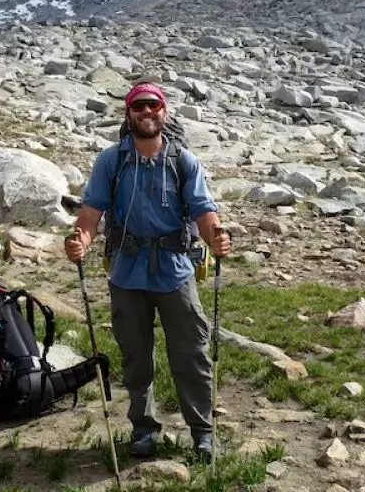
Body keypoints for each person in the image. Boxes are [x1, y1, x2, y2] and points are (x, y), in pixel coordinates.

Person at [64, 82, 233, 461]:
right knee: (136, 355)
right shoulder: (112, 161)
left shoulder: (182, 161)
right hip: (126, 272)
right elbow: (90, 215)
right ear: (129, 114)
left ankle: (203, 432)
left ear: (164, 111)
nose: (146, 112)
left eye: (152, 105)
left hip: (174, 270)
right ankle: (143, 429)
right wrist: (81, 241)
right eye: (138, 106)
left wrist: (216, 237)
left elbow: (205, 214)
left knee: (191, 353)